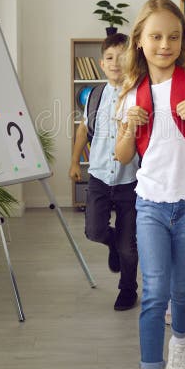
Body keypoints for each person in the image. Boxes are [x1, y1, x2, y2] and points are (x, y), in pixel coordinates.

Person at [114, 0, 185, 369]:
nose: (165, 45)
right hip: (150, 204)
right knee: (154, 293)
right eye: (156, 36)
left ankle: (181, 341)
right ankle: (151, 364)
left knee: (181, 287)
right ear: (140, 42)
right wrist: (130, 127)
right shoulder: (132, 94)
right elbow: (122, 156)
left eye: (174, 37)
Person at [69, 33, 139, 311]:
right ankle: (110, 243)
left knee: (129, 246)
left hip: (130, 180)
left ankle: (128, 289)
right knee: (94, 231)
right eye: (110, 58)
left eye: (122, 57)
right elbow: (84, 130)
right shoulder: (94, 95)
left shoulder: (138, 95)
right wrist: (75, 162)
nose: (116, 63)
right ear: (101, 63)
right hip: (99, 176)